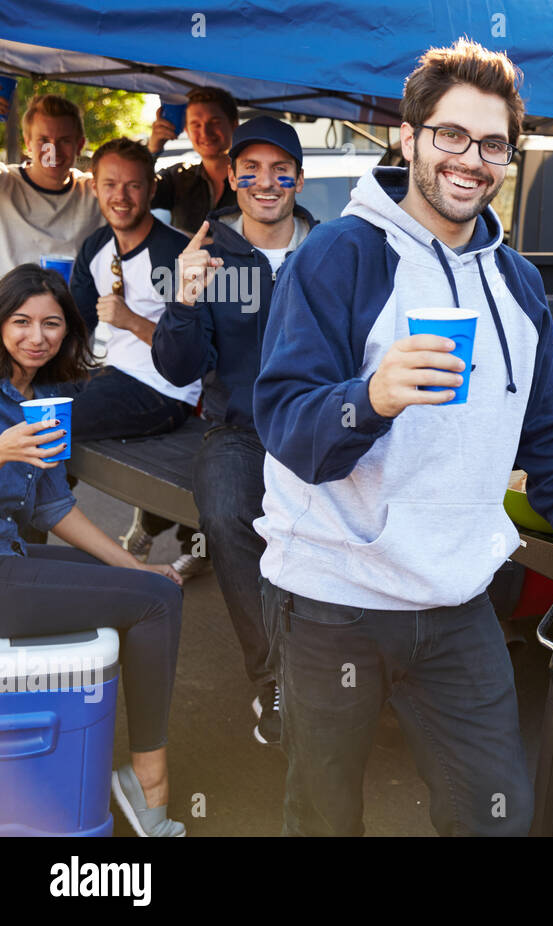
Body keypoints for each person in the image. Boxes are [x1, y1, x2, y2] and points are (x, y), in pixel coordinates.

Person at [253, 38, 553, 836]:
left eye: (492, 143)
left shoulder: (518, 281)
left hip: (459, 600)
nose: (471, 159)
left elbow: (552, 431)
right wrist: (372, 398)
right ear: (411, 137)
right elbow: (289, 427)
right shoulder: (339, 256)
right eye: (451, 135)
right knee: (324, 817)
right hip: (335, 599)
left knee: (495, 814)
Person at [0, 263, 185, 836]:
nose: (37, 337)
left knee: (156, 590)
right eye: (21, 321)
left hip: (11, 560)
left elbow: (53, 507)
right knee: (155, 605)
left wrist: (134, 566)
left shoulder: (39, 396)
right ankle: (148, 784)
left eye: (51, 324)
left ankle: (137, 775)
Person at [153, 115, 317, 746]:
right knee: (224, 513)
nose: (265, 182)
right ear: (232, 176)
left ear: (299, 179)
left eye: (281, 170)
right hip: (240, 431)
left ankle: (351, 666)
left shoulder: (330, 250)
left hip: (321, 426)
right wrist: (184, 299)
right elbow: (178, 368)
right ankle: (275, 678)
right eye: (251, 170)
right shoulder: (205, 256)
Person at [66, 137, 203, 576]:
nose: (120, 197)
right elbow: (75, 326)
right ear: (94, 188)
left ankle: (86, 555)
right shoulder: (95, 247)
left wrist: (130, 321)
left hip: (163, 389)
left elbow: (192, 353)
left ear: (149, 189)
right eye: (110, 184)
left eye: (133, 186)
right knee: (24, 406)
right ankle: (29, 536)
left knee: (48, 427)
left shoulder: (174, 254)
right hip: (109, 374)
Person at [0, 94, 102, 275]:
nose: (53, 151)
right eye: (44, 140)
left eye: (64, 141)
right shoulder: (5, 182)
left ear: (79, 145)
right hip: (11, 302)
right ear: (28, 143)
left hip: (74, 303)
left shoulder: (95, 192)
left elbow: (136, 190)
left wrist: (154, 149)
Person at [146, 87, 239, 235]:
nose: (205, 132)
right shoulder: (177, 177)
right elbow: (136, 196)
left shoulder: (252, 180)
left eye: (214, 122)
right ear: (187, 130)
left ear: (234, 125)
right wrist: (152, 150)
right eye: (196, 124)